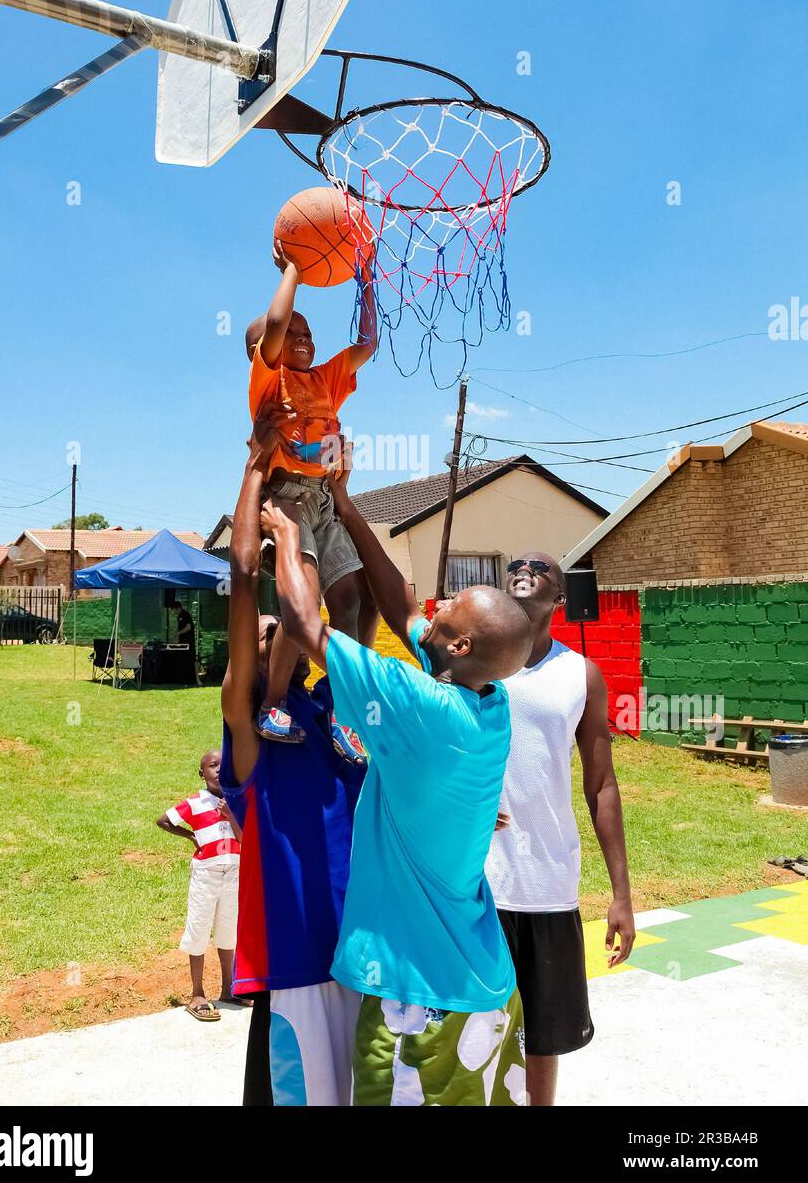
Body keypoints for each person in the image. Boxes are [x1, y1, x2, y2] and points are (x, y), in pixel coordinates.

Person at [260, 454, 534, 1107]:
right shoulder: (488, 701)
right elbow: (401, 606)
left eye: (451, 611)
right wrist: (349, 509)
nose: (433, 610)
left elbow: (304, 626)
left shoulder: (423, 707)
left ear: (461, 648)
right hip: (487, 993)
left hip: (420, 1009)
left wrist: (291, 531)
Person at [220, 423, 366, 1106]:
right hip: (301, 972)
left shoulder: (334, 713)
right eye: (253, 640)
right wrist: (259, 475)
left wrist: (336, 497)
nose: (267, 634)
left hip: (368, 954)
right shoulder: (251, 741)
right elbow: (253, 582)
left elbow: (330, 604)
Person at [485, 552, 636, 1106]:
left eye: (540, 568)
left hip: (546, 880)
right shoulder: (469, 658)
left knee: (542, 1033)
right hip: (474, 880)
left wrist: (621, 895)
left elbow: (602, 785)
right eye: (516, 564)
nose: (524, 569)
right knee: (471, 1027)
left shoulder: (580, 675)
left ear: (560, 600)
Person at [245, 238, 378, 745]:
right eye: (291, 332)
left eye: (308, 332)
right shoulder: (268, 379)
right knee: (299, 610)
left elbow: (367, 342)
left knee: (352, 602)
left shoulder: (327, 379)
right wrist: (295, 271)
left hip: (324, 500)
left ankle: (342, 707)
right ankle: (274, 704)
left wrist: (364, 278)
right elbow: (275, 326)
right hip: (287, 500)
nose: (301, 337)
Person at [156, 750, 242, 1022]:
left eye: (222, 765)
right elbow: (163, 820)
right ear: (201, 773)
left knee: (228, 931)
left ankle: (228, 988)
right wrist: (191, 836)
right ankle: (197, 992)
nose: (218, 769)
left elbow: (247, 835)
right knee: (200, 927)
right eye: (211, 766)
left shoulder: (237, 801)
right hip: (206, 873)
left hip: (234, 871)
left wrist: (231, 816)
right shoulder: (195, 803)